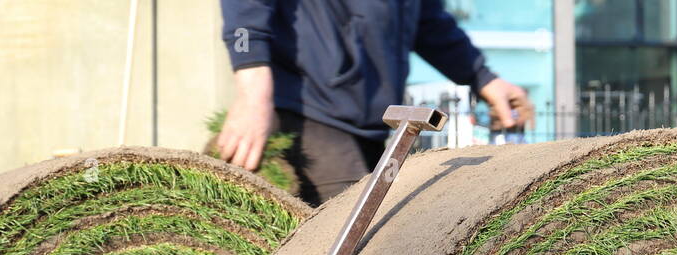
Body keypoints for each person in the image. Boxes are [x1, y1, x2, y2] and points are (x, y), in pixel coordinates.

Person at [216, 0, 531, 205]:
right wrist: (253, 94)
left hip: (370, 128)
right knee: (358, 243)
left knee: (384, 240)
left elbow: (429, 23)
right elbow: (245, 12)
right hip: (308, 113)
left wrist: (484, 78)